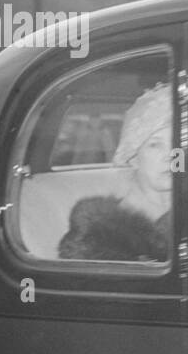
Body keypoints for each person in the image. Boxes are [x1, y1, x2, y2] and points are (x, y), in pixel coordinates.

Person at [58, 84, 173, 261]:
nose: (170, 156)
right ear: (133, 157)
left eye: (178, 144)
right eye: (155, 144)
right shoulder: (99, 232)